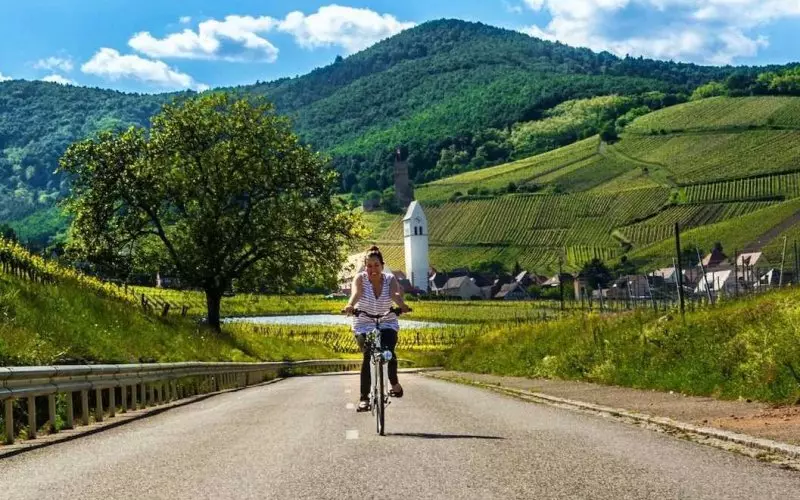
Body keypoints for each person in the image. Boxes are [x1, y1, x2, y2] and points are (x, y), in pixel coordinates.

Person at [343, 245, 411, 412]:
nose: (373, 269)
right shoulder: (360, 279)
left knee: (388, 352)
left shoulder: (390, 279)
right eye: (369, 266)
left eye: (376, 265)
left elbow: (395, 295)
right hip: (364, 323)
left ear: (382, 265)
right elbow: (356, 294)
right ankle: (364, 398)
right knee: (367, 355)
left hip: (387, 321)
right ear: (365, 266)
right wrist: (350, 305)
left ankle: (393, 382)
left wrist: (402, 306)